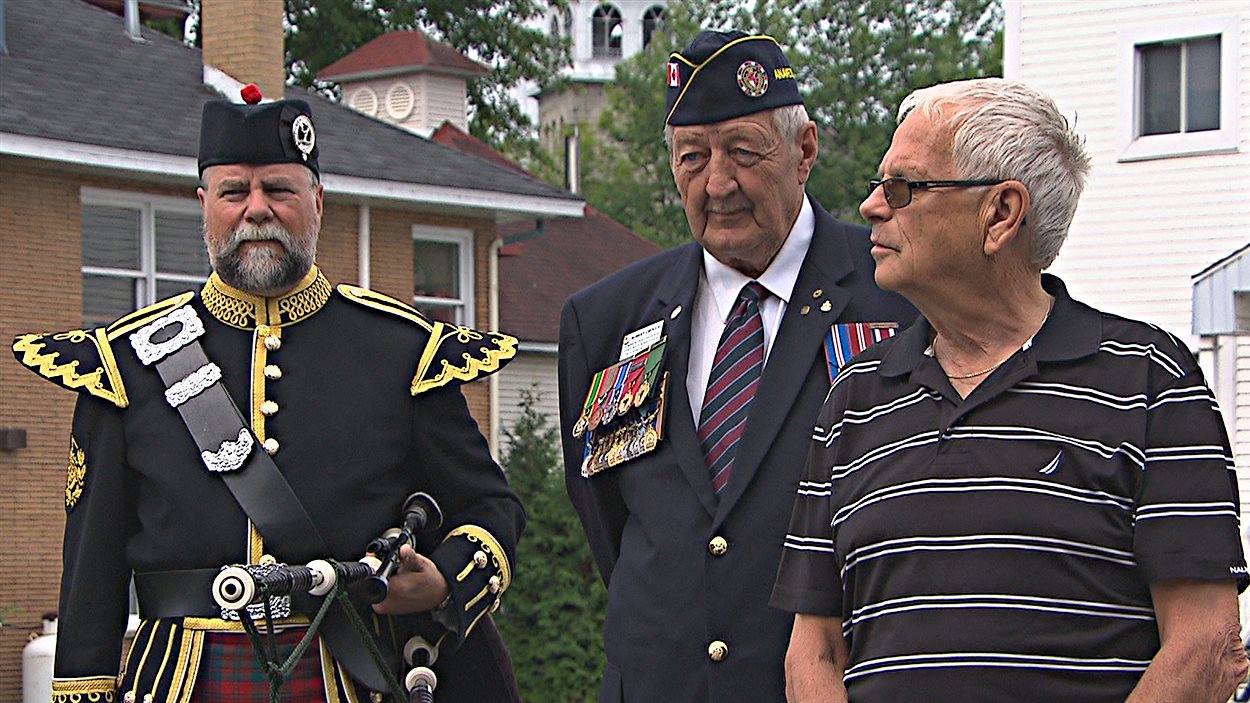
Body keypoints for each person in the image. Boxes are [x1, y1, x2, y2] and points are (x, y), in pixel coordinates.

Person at [13, 87, 525, 703]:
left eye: (279, 189)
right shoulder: (126, 365)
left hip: (349, 674)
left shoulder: (401, 351)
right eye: (234, 192)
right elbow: (90, 576)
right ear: (204, 204)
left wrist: (443, 579)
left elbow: (489, 506)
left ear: (318, 201)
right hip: (182, 681)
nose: (257, 210)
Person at [771, 77, 1249, 702]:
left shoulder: (1151, 382)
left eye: (903, 187)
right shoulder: (854, 399)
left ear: (1000, 214)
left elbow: (1206, 646)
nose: (872, 207)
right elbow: (814, 651)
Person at [558, 31, 914, 702]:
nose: (717, 183)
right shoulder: (606, 319)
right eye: (692, 157)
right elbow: (612, 517)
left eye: (744, 153)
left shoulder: (896, 297)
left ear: (804, 150)